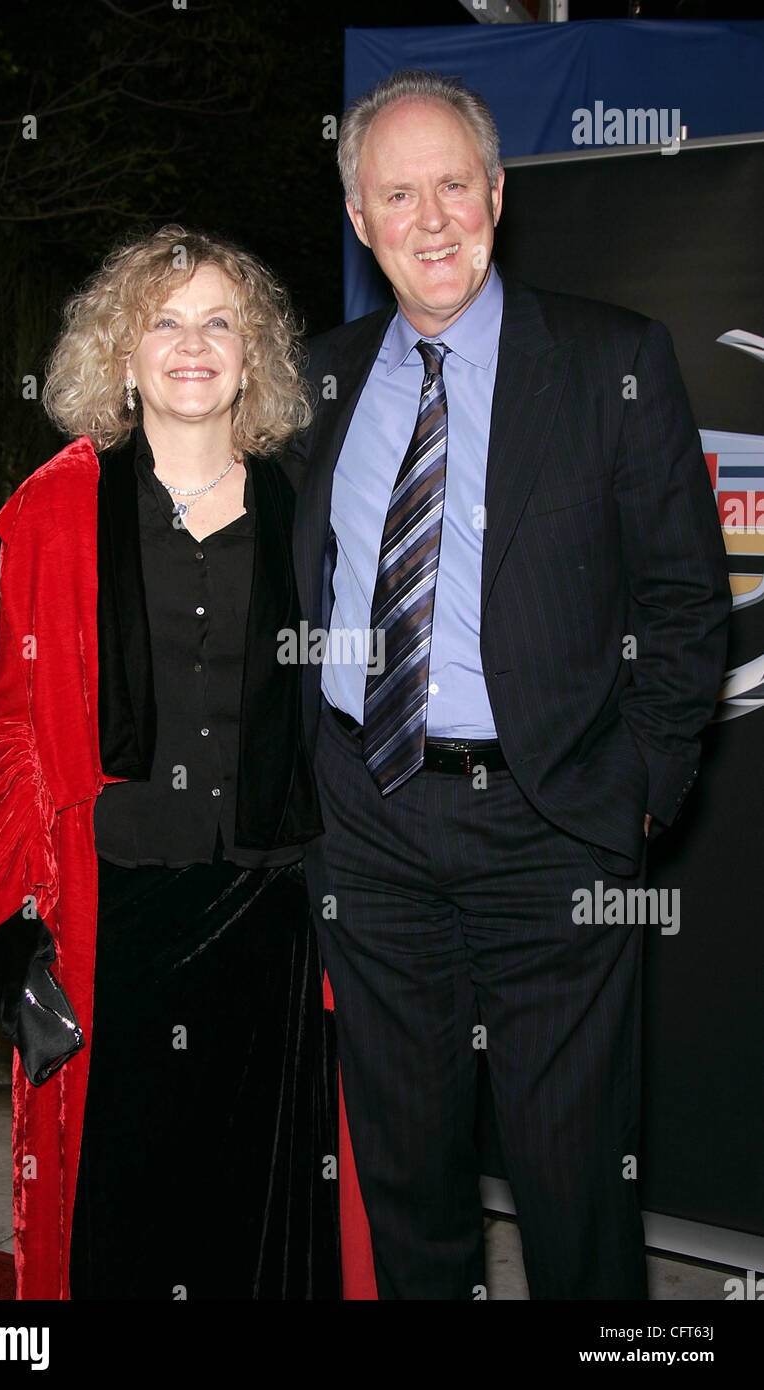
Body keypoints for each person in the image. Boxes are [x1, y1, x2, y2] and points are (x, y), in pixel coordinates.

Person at [285, 70, 732, 1300]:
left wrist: (632, 796)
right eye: (395, 194)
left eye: (450, 186)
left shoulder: (610, 360)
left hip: (552, 833)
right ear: (359, 219)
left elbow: (687, 604)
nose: (429, 219)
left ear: (495, 193)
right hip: (369, 834)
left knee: (576, 1188)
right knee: (407, 1186)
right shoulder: (312, 385)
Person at [0, 225, 340, 1300]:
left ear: (252, 352)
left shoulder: (301, 503)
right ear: (121, 355)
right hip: (116, 918)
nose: (191, 343)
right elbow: (14, 732)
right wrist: (5, 922)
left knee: (252, 1222)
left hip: (268, 919)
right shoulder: (56, 506)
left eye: (218, 321)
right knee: (124, 1214)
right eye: (162, 322)